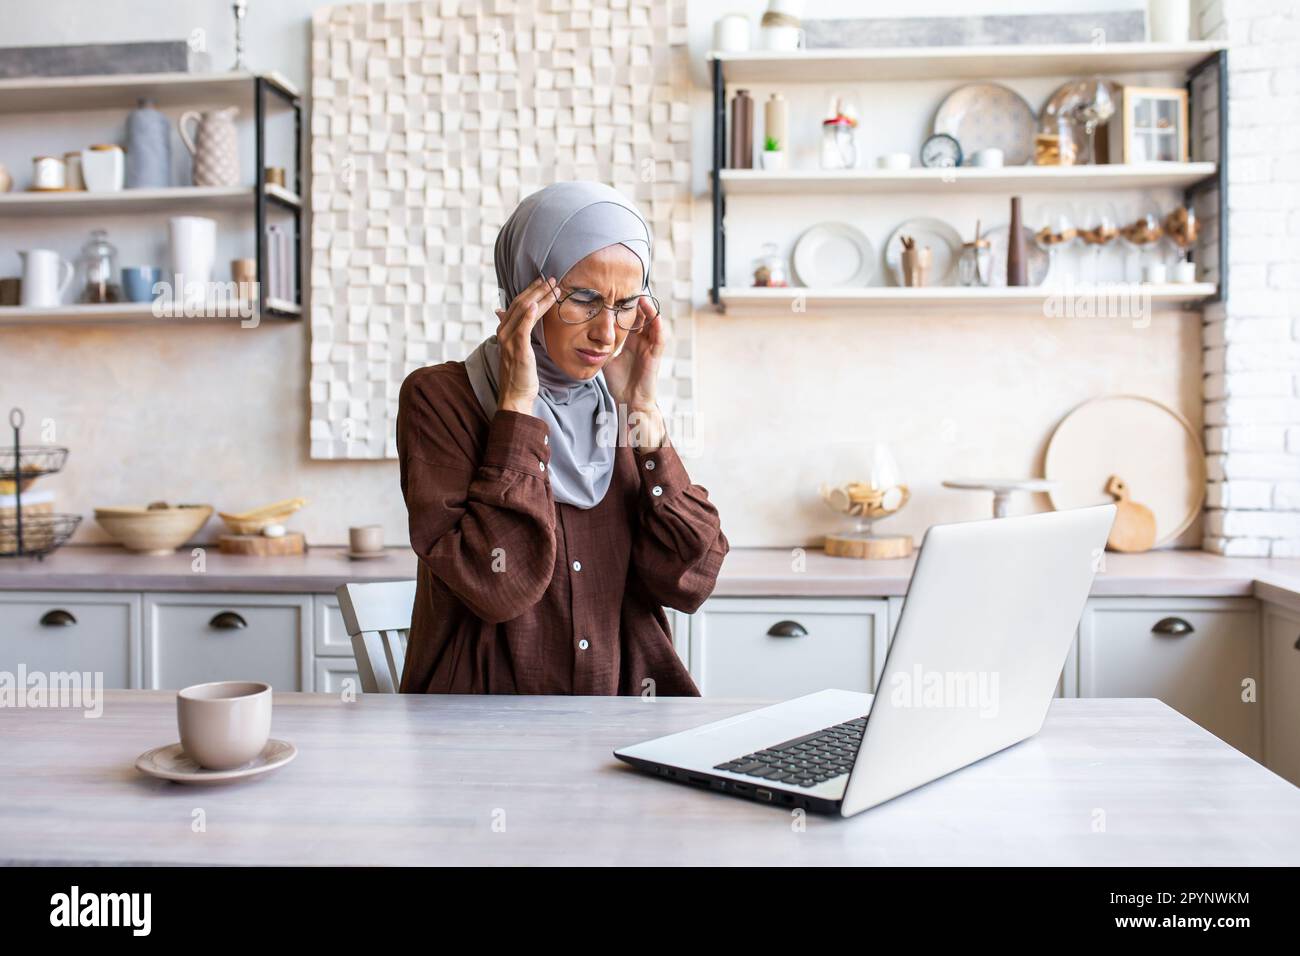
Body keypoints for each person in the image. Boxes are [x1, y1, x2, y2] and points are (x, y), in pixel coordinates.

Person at [396, 181, 728, 695]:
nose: (607, 333)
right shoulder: (439, 398)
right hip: (479, 726)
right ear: (526, 288)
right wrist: (517, 408)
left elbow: (688, 578)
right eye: (584, 300)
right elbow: (495, 585)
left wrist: (642, 412)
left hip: (624, 714)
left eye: (625, 305)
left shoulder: (619, 410)